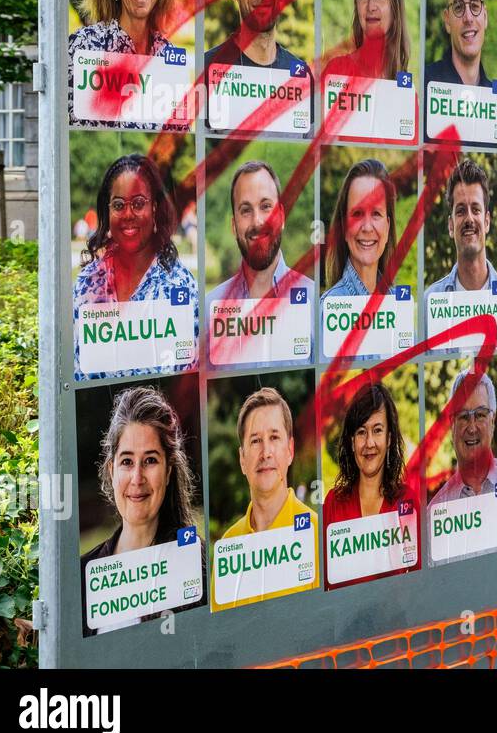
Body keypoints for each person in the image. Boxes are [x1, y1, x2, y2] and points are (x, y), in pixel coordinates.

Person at [81, 385, 205, 636]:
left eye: (150, 460)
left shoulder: (196, 565)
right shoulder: (83, 574)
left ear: (169, 471)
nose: (137, 478)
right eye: (127, 461)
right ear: (111, 470)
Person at [73, 154, 198, 381]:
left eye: (139, 203)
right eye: (119, 205)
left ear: (155, 209)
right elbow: (78, 371)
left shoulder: (181, 284)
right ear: (107, 211)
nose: (128, 214)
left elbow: (189, 380)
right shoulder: (86, 284)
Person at [217, 387, 320, 602]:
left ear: (290, 450)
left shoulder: (316, 532)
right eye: (255, 441)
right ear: (242, 459)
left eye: (274, 437)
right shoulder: (228, 547)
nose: (266, 453)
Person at [323, 380, 415, 586]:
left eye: (377, 430)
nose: (369, 443)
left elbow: (416, 585)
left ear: (389, 438)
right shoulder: (333, 503)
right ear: (351, 441)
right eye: (361, 432)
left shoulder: (407, 502)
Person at [207, 160, 314, 314]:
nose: (257, 221)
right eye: (245, 210)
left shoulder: (314, 302)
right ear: (234, 226)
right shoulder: (210, 310)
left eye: (266, 207)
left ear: (282, 217)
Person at [426, 156, 497, 303]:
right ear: (451, 225)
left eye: (476, 209)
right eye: (460, 211)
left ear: (486, 221)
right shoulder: (429, 301)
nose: (469, 219)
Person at [428, 365, 497, 507]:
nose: (472, 428)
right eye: (463, 416)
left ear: (492, 421)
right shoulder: (437, 509)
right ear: (452, 424)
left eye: (480, 415)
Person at [323, 0, 411, 83]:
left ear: (395, 7)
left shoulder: (405, 89)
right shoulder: (336, 72)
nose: (371, 6)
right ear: (356, 1)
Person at [322, 159, 397, 299]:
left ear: (388, 227)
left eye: (376, 213)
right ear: (344, 227)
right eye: (357, 214)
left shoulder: (399, 304)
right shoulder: (327, 308)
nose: (367, 227)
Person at [425, 0, 496, 92]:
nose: (468, 18)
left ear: (485, 17)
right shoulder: (425, 85)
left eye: (474, 5)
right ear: (447, 21)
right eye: (458, 7)